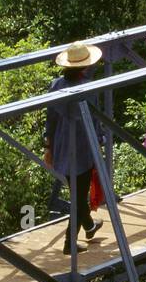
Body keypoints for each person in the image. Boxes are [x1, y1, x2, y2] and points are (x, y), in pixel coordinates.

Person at [44, 42, 105, 254]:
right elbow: (95, 121)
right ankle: (70, 244)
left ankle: (89, 225)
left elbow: (50, 119)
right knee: (79, 196)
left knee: (76, 191)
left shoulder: (56, 85)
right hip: (82, 146)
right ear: (85, 66)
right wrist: (100, 142)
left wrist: (48, 145)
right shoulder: (87, 88)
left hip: (62, 143)